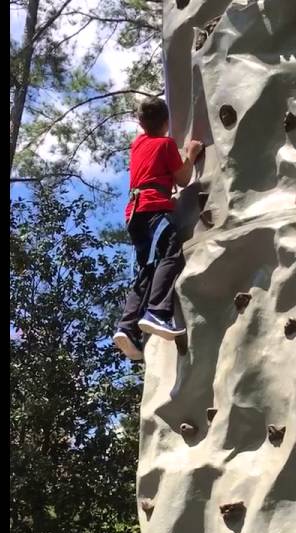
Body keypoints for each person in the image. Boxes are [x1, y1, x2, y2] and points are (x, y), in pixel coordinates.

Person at [112, 96, 203, 361]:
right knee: (172, 251)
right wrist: (192, 154)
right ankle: (157, 311)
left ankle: (127, 328)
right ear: (166, 122)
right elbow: (183, 178)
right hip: (153, 208)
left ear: (141, 123)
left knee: (147, 269)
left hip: (134, 213)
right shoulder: (165, 144)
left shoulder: (137, 144)